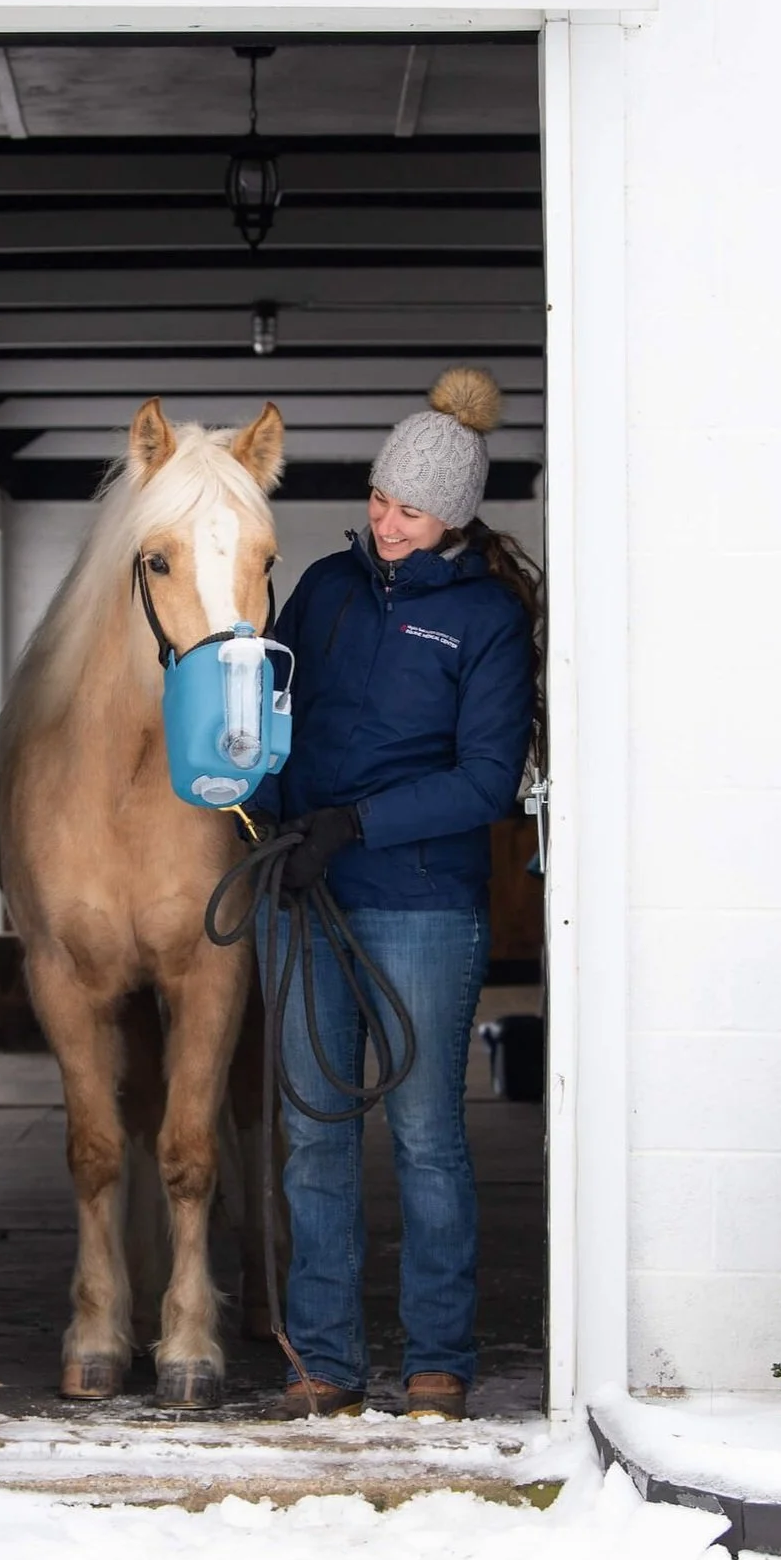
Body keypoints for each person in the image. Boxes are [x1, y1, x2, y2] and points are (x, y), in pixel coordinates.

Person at [249, 366, 541, 1421]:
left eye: (408, 507)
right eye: (378, 496)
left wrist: (353, 825)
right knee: (314, 1132)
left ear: (454, 513)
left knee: (423, 1133)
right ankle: (323, 1359)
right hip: (304, 895)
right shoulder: (323, 589)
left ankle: (436, 1361)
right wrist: (270, 810)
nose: (385, 520)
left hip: (418, 900)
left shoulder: (486, 619)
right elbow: (268, 707)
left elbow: (483, 779)